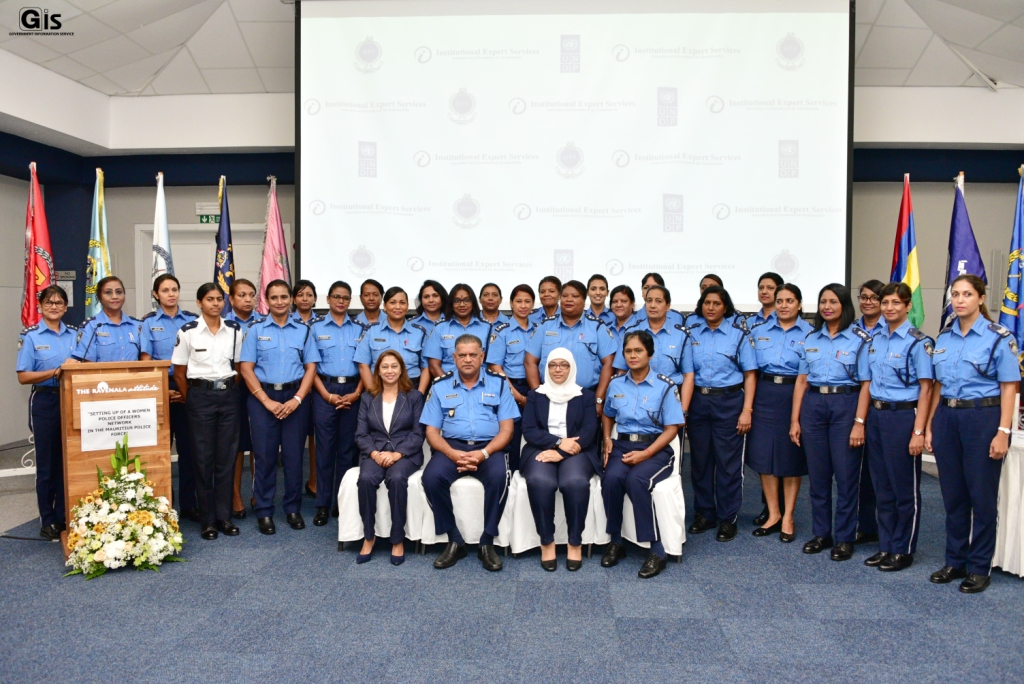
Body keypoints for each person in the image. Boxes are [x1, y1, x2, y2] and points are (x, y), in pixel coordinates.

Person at [925, 275, 1019, 594]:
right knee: (953, 496)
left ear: (980, 298)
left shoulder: (998, 337)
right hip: (947, 417)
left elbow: (1009, 387)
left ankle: (979, 566)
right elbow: (937, 385)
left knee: (981, 496)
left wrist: (1003, 431)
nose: (960, 300)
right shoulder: (944, 337)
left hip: (983, 418)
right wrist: (931, 425)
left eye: (967, 294)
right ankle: (955, 560)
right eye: (955, 294)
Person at [421, 334, 519, 571]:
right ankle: (455, 540)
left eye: (473, 355)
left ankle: (487, 541)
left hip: (490, 448)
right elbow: (431, 432)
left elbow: (507, 430)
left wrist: (484, 453)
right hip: (452, 447)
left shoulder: (499, 384)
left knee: (500, 477)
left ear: (482, 356)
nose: (467, 359)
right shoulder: (440, 385)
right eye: (462, 355)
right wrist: (452, 454)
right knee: (430, 478)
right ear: (454, 357)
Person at [789, 284, 872, 561]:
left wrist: (859, 422)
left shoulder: (859, 339)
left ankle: (845, 537)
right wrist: (795, 420)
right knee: (818, 476)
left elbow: (866, 384)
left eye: (833, 302)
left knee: (846, 477)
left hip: (845, 404)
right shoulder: (811, 338)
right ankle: (821, 533)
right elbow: (801, 381)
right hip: (813, 405)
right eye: (823, 301)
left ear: (844, 305)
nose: (827, 306)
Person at [600, 330, 685, 579]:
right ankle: (616, 541)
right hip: (623, 446)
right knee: (611, 479)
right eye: (628, 351)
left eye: (638, 350)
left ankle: (656, 550)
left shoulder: (666, 386)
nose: (633, 355)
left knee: (637, 480)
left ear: (650, 354)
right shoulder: (616, 384)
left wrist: (646, 453)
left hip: (655, 449)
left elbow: (672, 429)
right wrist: (607, 439)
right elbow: (607, 414)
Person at [861, 282, 933, 572]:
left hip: (903, 417)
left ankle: (903, 548)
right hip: (877, 415)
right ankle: (886, 545)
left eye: (895, 303)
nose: (889, 308)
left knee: (904, 488)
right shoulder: (875, 339)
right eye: (885, 302)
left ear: (907, 306)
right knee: (882, 486)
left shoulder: (918, 343)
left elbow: (927, 389)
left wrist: (919, 431)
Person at [238, 279, 320, 535]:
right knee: (265, 457)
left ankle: (292, 508)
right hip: (263, 398)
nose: (280, 302)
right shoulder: (255, 330)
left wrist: (297, 399)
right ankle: (264, 510)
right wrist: (266, 401)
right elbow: (246, 368)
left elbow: (311, 367)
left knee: (294, 457)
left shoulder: (303, 330)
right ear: (267, 300)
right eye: (274, 297)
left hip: (295, 398)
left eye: (284, 297)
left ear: (291, 299)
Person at [683, 285, 757, 542]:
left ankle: (728, 518)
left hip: (729, 402)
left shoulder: (738, 334)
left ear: (725, 307)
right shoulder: (691, 333)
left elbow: (750, 375)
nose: (711, 307)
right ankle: (705, 513)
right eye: (707, 303)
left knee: (728, 463)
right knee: (700, 461)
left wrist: (747, 410)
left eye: (716, 303)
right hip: (699, 402)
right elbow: (687, 373)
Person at [171, 283, 244, 540]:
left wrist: (226, 391)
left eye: (219, 299)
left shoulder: (234, 330)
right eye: (210, 299)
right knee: (203, 460)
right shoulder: (188, 331)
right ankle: (207, 520)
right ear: (199, 303)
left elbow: (238, 368)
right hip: (199, 398)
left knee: (226, 457)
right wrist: (193, 398)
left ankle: (224, 517)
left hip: (228, 396)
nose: (215, 303)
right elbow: (179, 373)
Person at [520, 348, 599, 571]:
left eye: (564, 365)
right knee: (540, 482)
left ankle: (575, 542)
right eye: (553, 364)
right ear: (546, 368)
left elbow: (589, 430)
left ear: (572, 368)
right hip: (540, 448)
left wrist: (562, 452)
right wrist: (557, 443)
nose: (558, 369)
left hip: (578, 451)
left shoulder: (585, 396)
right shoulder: (536, 395)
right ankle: (547, 542)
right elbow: (529, 430)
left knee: (574, 483)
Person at [746, 283, 811, 542]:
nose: (784, 305)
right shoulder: (758, 331)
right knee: (764, 456)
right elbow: (750, 371)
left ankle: (788, 516)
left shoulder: (810, 333)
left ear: (799, 304)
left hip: (794, 394)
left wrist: (796, 416)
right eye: (780, 300)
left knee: (790, 457)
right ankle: (773, 513)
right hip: (764, 394)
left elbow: (805, 377)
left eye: (789, 301)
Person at [16, 285, 77, 540]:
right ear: (40, 306)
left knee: (69, 460)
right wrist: (56, 371)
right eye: (49, 302)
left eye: (59, 302)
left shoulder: (75, 334)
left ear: (65, 307)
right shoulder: (31, 337)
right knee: (48, 463)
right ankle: (48, 519)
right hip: (45, 401)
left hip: (72, 399)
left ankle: (64, 515)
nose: (54, 306)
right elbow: (23, 376)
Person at [354, 350, 425, 565]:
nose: (389, 371)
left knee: (396, 478)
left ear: (401, 369)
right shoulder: (368, 397)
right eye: (384, 367)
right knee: (366, 479)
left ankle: (397, 539)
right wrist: (375, 454)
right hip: (374, 452)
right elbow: (361, 434)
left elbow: (418, 433)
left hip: (405, 453)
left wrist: (396, 454)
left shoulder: (414, 397)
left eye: (394, 366)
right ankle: (369, 537)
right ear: (378, 371)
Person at [140, 274, 200, 521]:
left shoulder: (193, 321)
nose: (171, 294)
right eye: (165, 290)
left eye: (174, 289)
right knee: (160, 453)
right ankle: (164, 506)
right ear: (156, 294)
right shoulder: (148, 323)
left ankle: (189, 505)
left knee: (189, 451)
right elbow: (145, 361)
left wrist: (186, 391)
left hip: (188, 388)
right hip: (159, 388)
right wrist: (161, 390)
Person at [309, 281, 367, 526]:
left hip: (353, 391)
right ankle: (323, 505)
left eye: (345, 298)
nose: (341, 301)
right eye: (336, 297)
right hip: (325, 390)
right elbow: (310, 367)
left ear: (350, 301)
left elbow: (365, 365)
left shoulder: (360, 329)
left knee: (347, 451)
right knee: (324, 451)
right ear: (328, 299)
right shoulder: (315, 328)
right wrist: (327, 395)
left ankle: (343, 503)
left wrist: (357, 393)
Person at [525, 281, 617, 409]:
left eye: (575, 296)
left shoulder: (597, 327)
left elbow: (609, 363)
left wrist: (599, 399)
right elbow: (530, 361)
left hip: (586, 398)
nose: (569, 299)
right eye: (565, 296)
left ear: (584, 300)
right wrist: (538, 395)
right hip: (548, 396)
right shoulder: (545, 326)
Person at [747, 271, 786, 527]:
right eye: (761, 287)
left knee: (784, 452)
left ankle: (782, 508)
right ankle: (769, 507)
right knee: (764, 452)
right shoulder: (750, 323)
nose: (764, 291)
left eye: (770, 288)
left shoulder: (789, 320)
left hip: (786, 391)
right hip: (762, 389)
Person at [486, 283, 537, 471]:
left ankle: (531, 474)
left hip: (536, 388)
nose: (523, 305)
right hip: (510, 388)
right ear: (511, 303)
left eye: (527, 301)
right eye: (519, 301)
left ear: (533, 304)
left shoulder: (539, 329)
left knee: (536, 435)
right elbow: (495, 366)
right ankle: (511, 475)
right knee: (512, 436)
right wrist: (518, 396)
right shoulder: (502, 331)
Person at [226, 279, 262, 519]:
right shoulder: (222, 323)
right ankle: (235, 495)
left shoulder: (264, 322)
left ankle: (258, 493)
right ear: (231, 299)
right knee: (236, 444)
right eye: (241, 295)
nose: (247, 299)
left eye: (251, 295)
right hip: (234, 388)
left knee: (260, 443)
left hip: (260, 387)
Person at [854, 278, 886, 546]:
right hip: (852, 404)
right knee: (858, 470)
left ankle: (889, 533)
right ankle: (865, 525)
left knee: (883, 472)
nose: (868, 302)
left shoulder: (892, 328)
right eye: (864, 297)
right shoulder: (851, 329)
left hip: (883, 406)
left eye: (874, 298)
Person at [355, 287, 431, 395]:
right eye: (392, 302)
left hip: (411, 388)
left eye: (402, 303)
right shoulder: (371, 331)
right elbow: (363, 365)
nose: (398, 307)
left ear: (407, 306)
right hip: (379, 388)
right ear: (385, 306)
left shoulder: (419, 332)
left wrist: (419, 394)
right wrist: (373, 394)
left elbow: (426, 367)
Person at [611, 285, 690, 386]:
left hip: (671, 391)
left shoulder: (681, 335)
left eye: (658, 301)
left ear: (668, 306)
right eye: (649, 301)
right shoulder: (631, 332)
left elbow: (688, 375)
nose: (652, 305)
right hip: (637, 391)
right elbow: (622, 371)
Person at [424, 283, 492, 377]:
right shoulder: (440, 327)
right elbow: (434, 366)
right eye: (457, 301)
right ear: (451, 304)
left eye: (467, 300)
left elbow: (492, 363)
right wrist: (448, 384)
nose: (462, 304)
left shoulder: (487, 327)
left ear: (473, 303)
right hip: (447, 383)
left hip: (481, 383)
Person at [290, 280, 319, 498]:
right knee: (295, 439)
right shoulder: (286, 321)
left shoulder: (323, 323)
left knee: (315, 436)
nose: (305, 298)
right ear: (293, 299)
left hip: (318, 388)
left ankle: (314, 480)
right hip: (294, 390)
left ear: (315, 299)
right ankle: (294, 484)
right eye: (300, 295)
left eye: (309, 294)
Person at [71, 275, 140, 363]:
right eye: (108, 292)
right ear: (99, 296)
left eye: (119, 292)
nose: (114, 296)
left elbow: (145, 359)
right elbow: (88, 364)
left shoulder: (137, 325)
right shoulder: (91, 326)